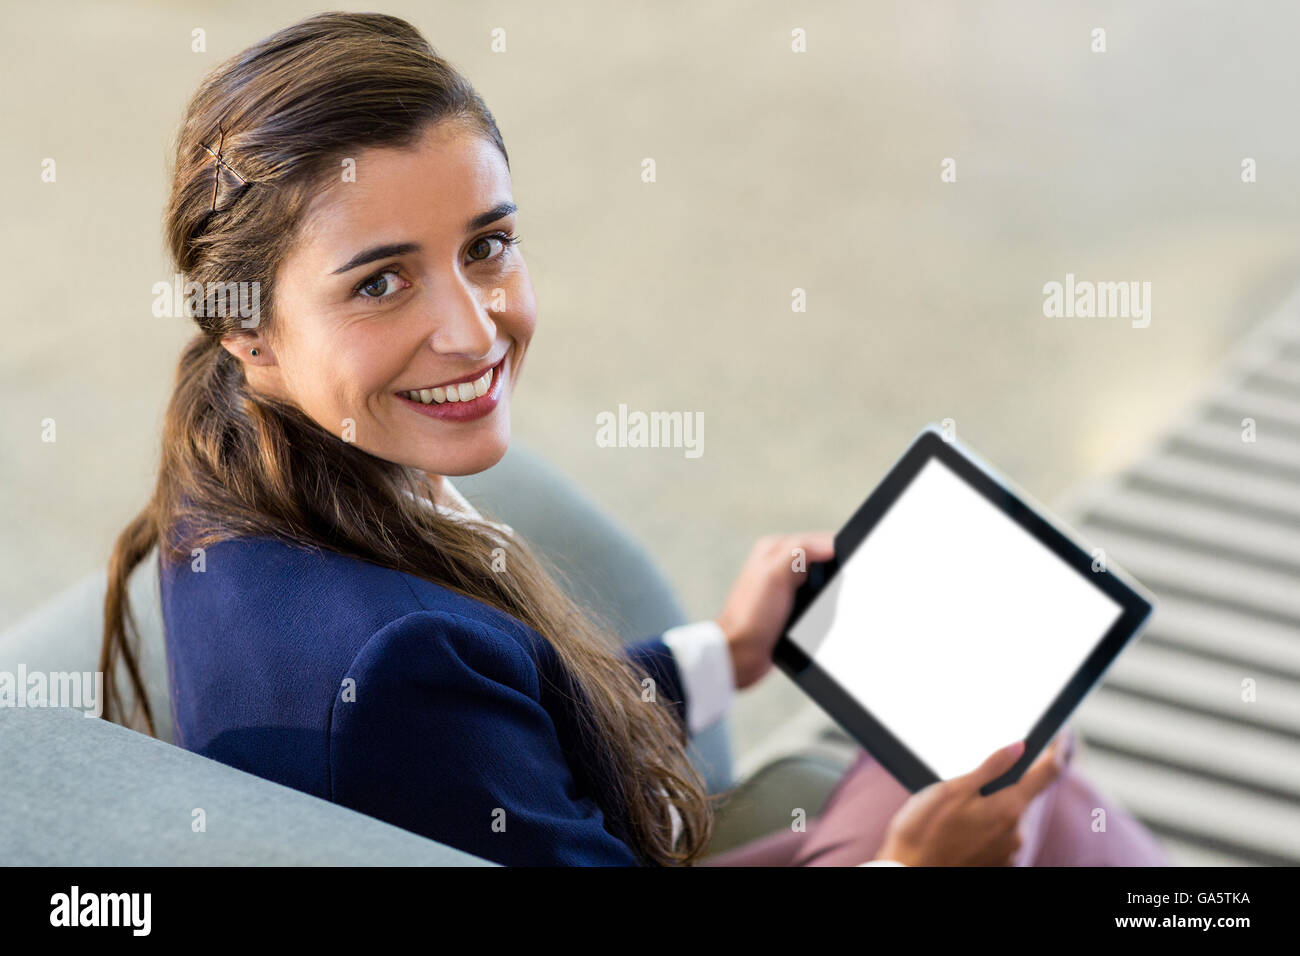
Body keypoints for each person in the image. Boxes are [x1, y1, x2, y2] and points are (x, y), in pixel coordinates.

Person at [101, 12, 1168, 868]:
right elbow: (457, 713)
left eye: (489, 245)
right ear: (250, 329)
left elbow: (501, 728)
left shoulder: (236, 455)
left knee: (1007, 768)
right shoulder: (395, 671)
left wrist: (722, 657)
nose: (474, 329)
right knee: (1028, 787)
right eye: (379, 281)